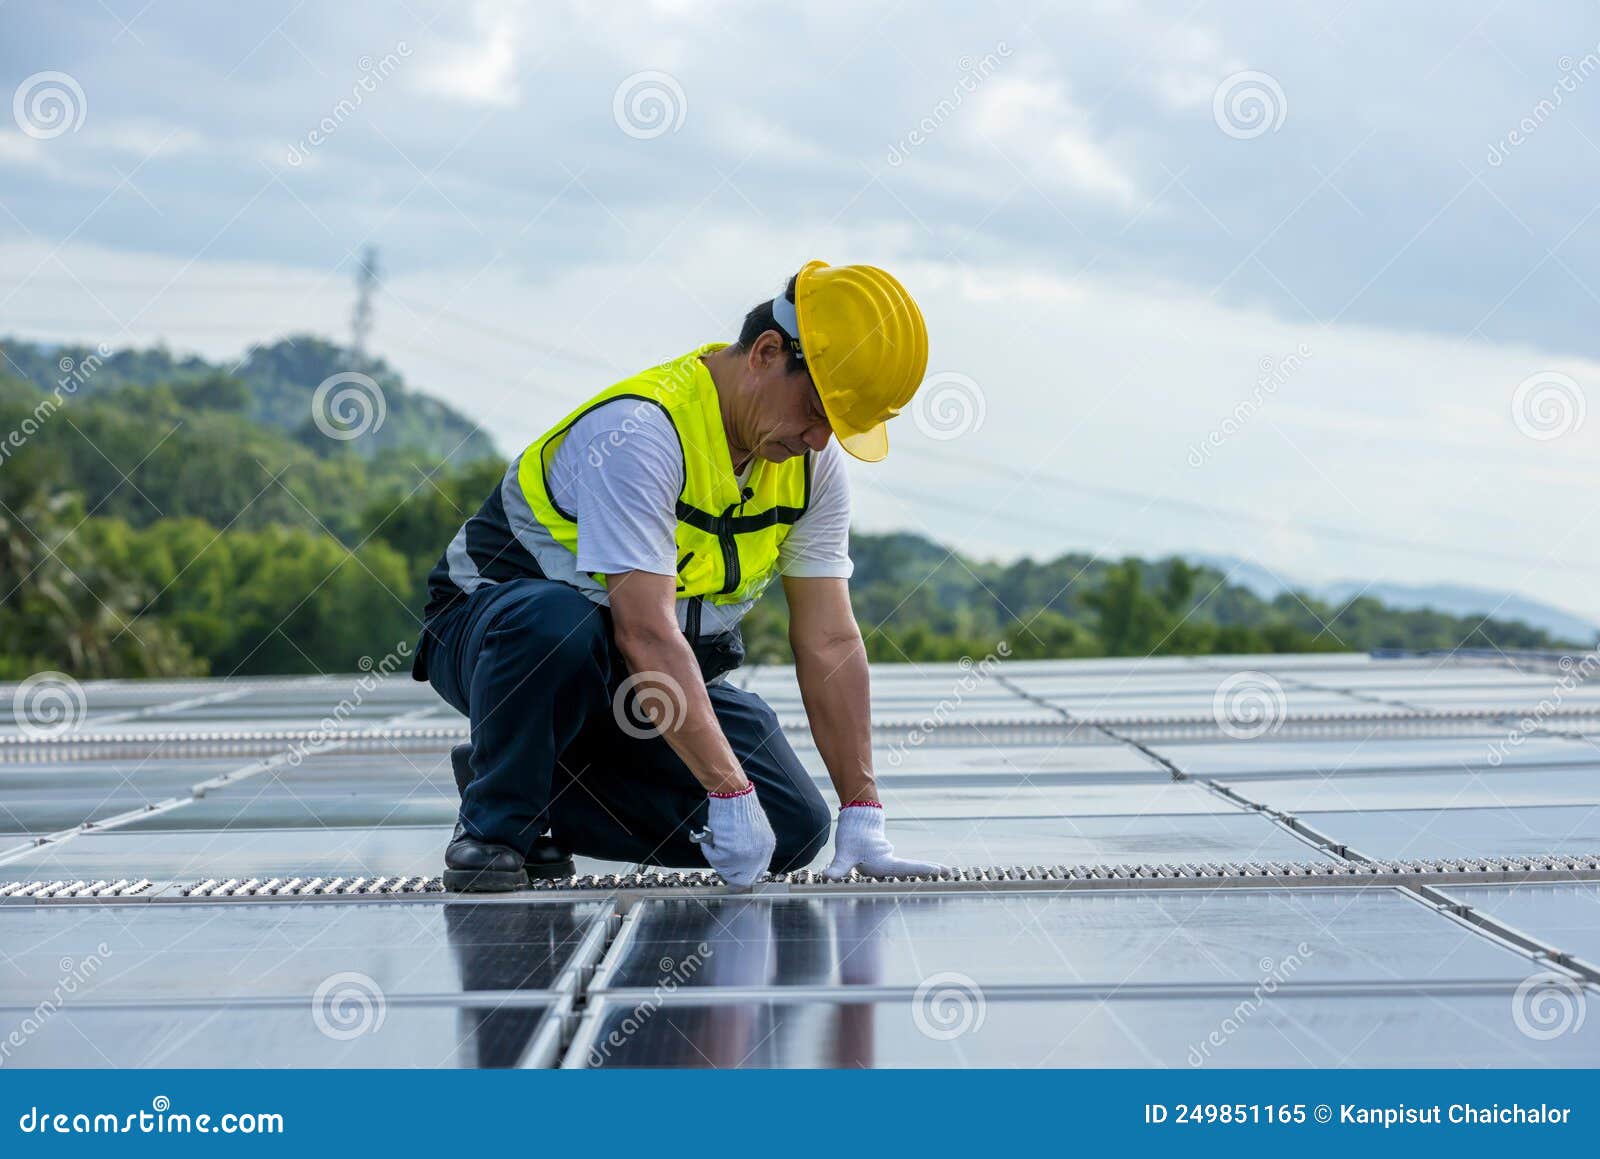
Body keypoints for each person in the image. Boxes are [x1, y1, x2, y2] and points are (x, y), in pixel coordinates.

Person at [413, 260, 943, 891]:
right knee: (558, 626)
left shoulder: (810, 466)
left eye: (842, 425)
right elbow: (643, 630)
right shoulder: (642, 432)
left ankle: (525, 777)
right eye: (818, 408)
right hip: (503, 645)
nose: (822, 439)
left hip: (637, 677)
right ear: (767, 353)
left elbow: (829, 640)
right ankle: (495, 828)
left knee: (795, 827)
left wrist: (862, 807)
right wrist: (727, 788)